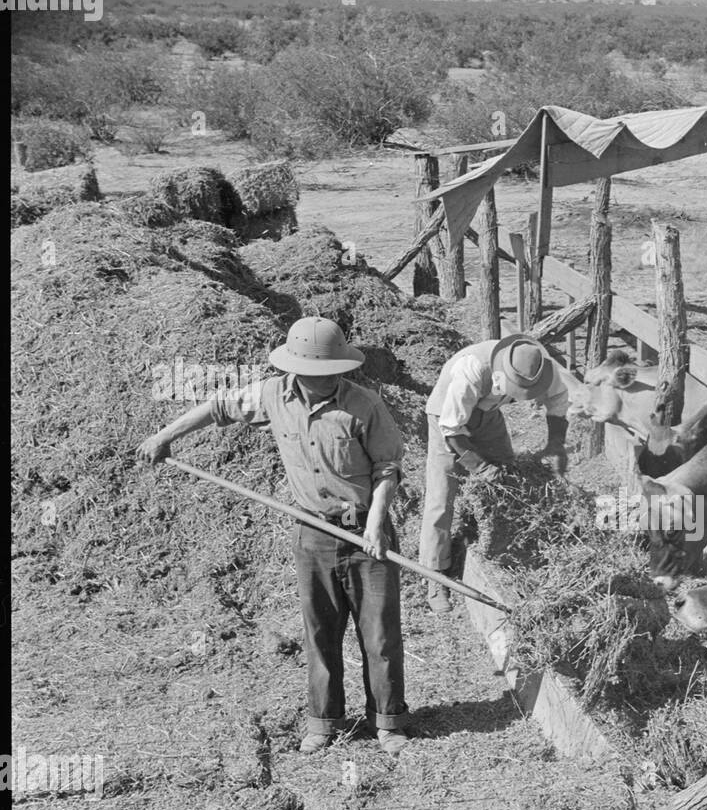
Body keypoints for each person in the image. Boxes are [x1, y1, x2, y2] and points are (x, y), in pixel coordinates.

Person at [137, 317, 410, 754]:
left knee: (378, 633)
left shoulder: (365, 406)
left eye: (332, 372)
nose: (325, 380)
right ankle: (325, 722)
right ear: (295, 370)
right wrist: (165, 436)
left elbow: (387, 468)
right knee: (320, 629)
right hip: (312, 530)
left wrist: (377, 520)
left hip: (366, 531)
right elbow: (218, 407)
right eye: (315, 374)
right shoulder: (271, 395)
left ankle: (388, 721)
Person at [419, 334, 568, 612]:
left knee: (509, 480)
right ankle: (435, 575)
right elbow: (452, 428)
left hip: (488, 416)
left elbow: (559, 399)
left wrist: (556, 445)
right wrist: (480, 466)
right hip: (446, 418)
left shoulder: (540, 364)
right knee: (442, 497)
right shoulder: (472, 369)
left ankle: (506, 547)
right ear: (502, 375)